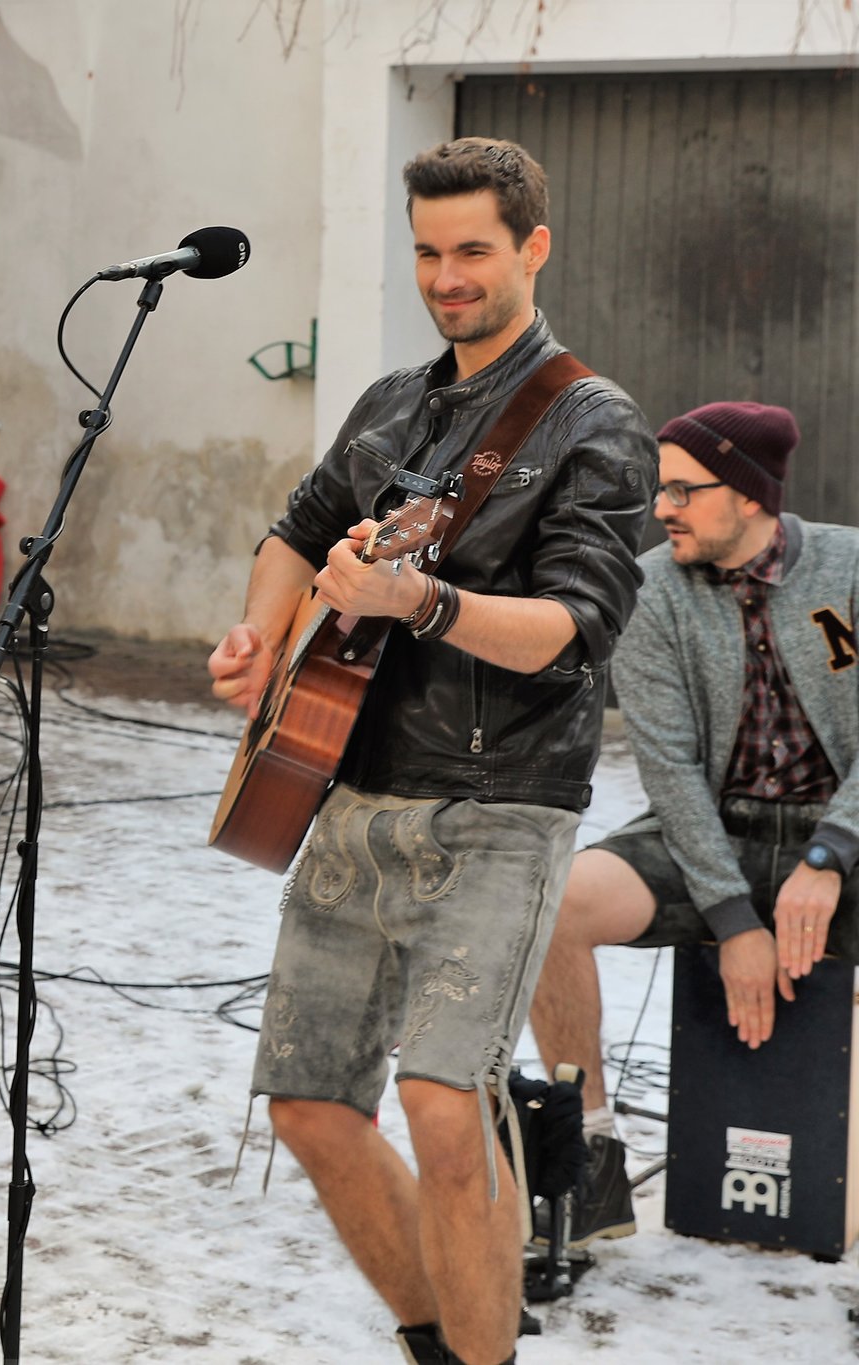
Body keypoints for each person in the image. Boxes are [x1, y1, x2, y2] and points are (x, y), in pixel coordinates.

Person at [207, 138, 656, 1365]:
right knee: (306, 1105)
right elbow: (295, 533)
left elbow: (575, 633)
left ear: (531, 248)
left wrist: (426, 605)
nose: (444, 276)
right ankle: (444, 1342)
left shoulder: (593, 426)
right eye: (425, 251)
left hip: (501, 806)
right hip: (349, 784)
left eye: (471, 251)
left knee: (443, 1111)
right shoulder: (391, 402)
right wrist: (258, 632)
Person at [529, 401, 859, 1247]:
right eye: (658, 488)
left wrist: (829, 855)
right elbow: (670, 770)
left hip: (842, 828)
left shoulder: (850, 569)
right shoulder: (646, 590)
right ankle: (589, 1159)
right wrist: (732, 916)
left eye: (682, 489)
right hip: (710, 827)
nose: (661, 507)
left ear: (749, 494)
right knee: (548, 905)